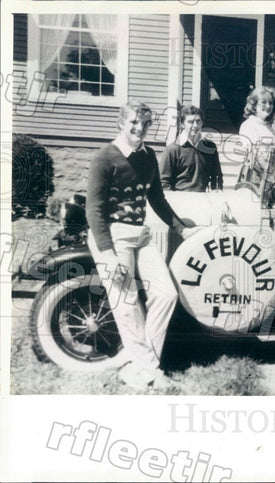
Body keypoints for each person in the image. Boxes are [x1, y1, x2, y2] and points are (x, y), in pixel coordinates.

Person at [86, 101, 199, 390]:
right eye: (134, 122)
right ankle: (150, 371)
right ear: (121, 124)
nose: (139, 128)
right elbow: (94, 210)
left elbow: (157, 199)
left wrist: (180, 228)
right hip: (110, 236)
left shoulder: (148, 156)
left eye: (145, 124)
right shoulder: (104, 157)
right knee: (127, 304)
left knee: (166, 294)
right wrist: (109, 255)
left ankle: (140, 364)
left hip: (140, 234)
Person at [160, 105, 223, 192]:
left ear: (202, 123)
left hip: (203, 199)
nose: (195, 125)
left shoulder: (210, 147)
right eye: (190, 122)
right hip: (180, 199)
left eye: (198, 121)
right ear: (182, 124)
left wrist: (216, 191)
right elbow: (164, 182)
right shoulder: (173, 149)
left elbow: (216, 176)